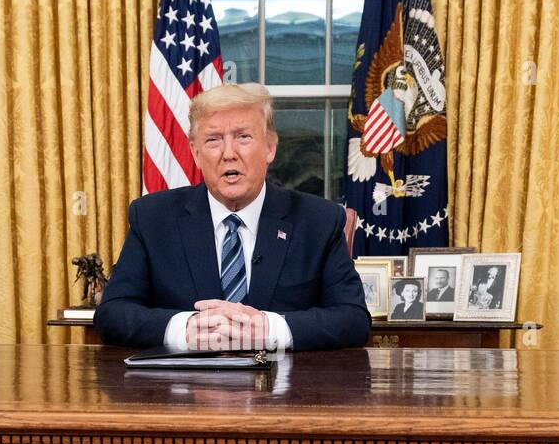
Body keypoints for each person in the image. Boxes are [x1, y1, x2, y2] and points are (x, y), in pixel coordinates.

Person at [94, 83, 370, 351]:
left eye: (243, 137)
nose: (229, 154)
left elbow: (353, 319)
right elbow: (112, 314)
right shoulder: (153, 218)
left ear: (270, 148)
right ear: (196, 153)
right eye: (213, 140)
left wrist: (269, 329)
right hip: (184, 392)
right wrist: (184, 329)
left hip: (284, 392)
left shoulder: (319, 221)